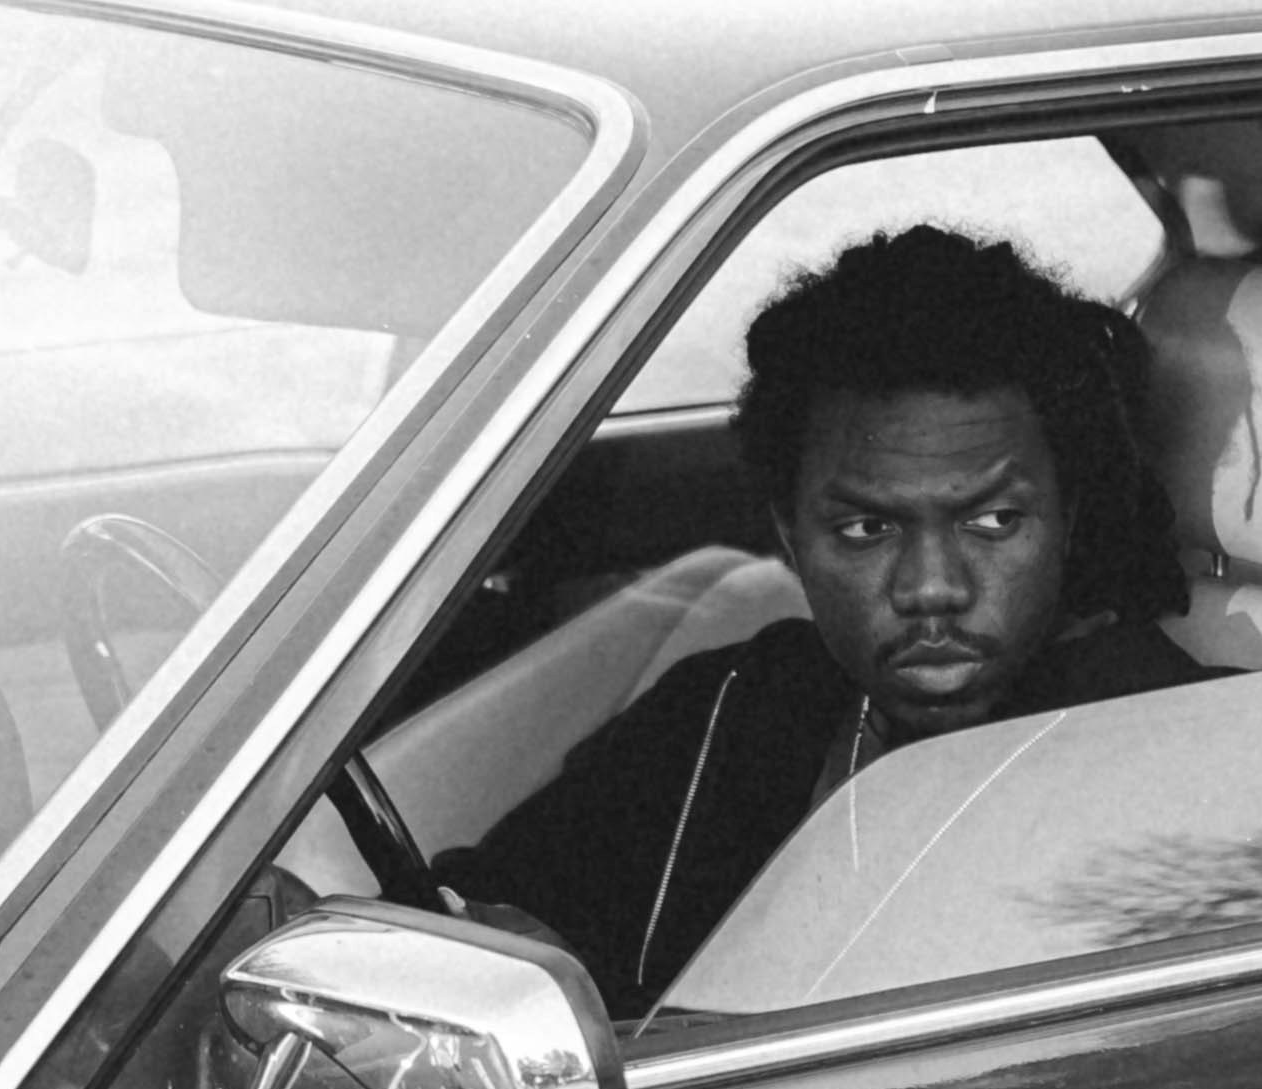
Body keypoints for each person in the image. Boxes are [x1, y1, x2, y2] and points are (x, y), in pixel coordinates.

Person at [448, 224, 1202, 1015]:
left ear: (1067, 517)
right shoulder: (738, 705)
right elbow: (487, 906)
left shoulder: (1177, 752)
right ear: (788, 538)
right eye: (866, 531)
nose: (931, 588)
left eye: (992, 523)